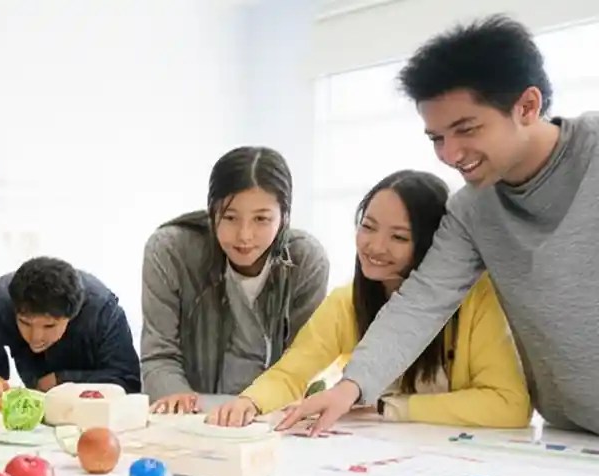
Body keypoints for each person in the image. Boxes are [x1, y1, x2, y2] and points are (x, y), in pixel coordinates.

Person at [280, 15, 599, 436]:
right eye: (436, 138)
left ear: (527, 106)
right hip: (573, 431)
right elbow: (422, 301)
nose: (449, 154)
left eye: (466, 130)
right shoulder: (472, 209)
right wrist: (351, 388)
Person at [209, 170, 531, 428]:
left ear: (435, 243)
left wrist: (387, 407)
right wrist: (249, 402)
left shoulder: (477, 298)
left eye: (399, 237)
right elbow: (290, 373)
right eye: (368, 227)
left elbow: (509, 405)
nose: (375, 247)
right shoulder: (346, 302)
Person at [142, 146, 329, 414]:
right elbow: (159, 354)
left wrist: (257, 406)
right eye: (230, 217)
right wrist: (178, 403)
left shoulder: (306, 260)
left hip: (267, 413)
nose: (244, 235)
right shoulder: (170, 251)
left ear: (284, 217)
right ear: (212, 211)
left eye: (261, 219)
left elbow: (302, 362)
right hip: (191, 411)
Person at [0, 256, 141, 407]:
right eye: (24, 323)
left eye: (49, 326)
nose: (35, 338)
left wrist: (62, 380)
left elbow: (128, 381)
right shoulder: (2, 298)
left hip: (94, 411)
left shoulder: (103, 309)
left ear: (71, 317)